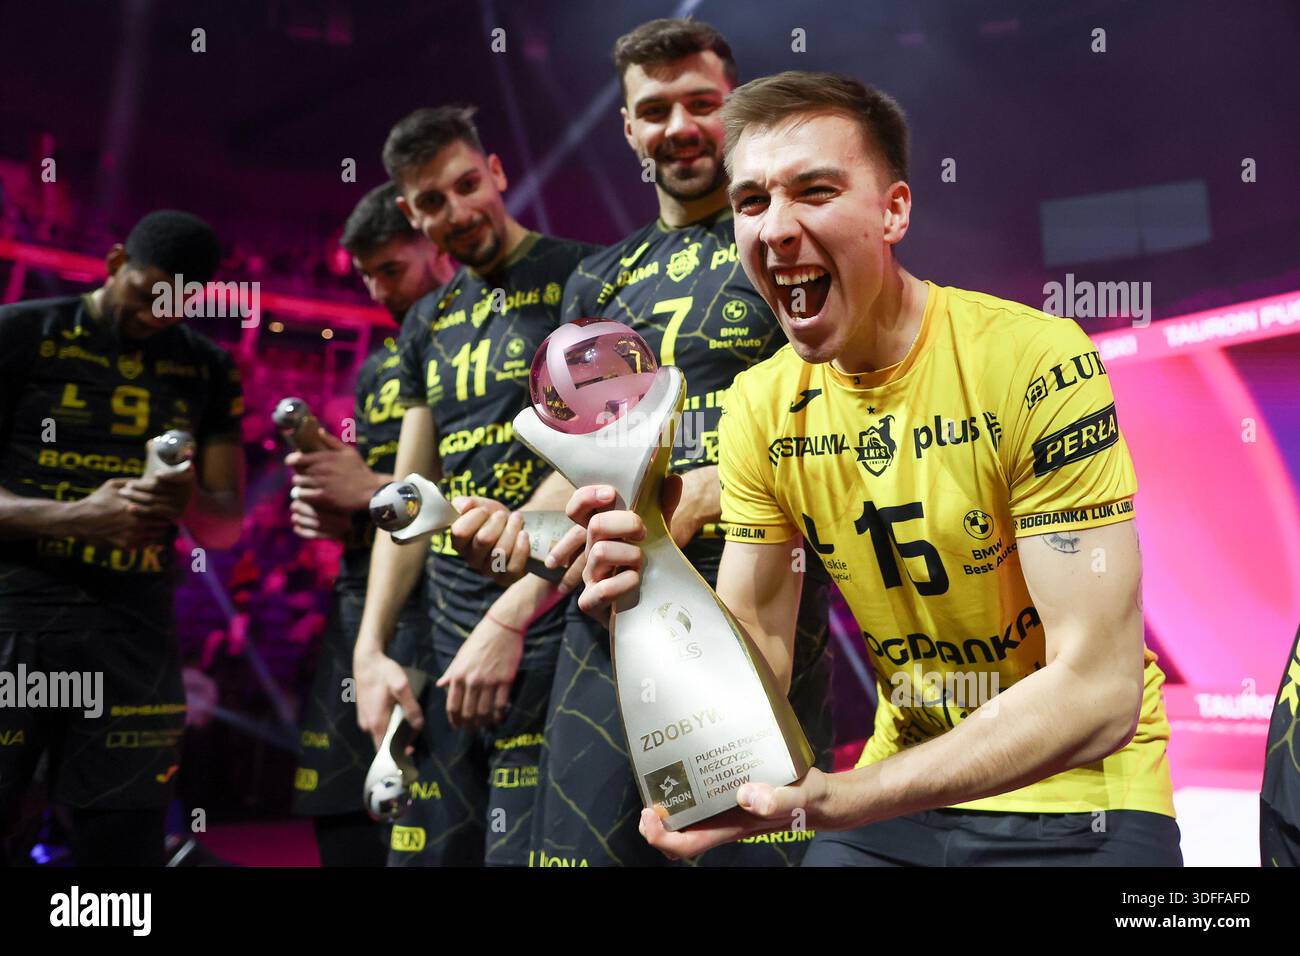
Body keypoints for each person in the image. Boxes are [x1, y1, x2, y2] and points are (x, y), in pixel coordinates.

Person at [563, 72, 1182, 866]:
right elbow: (759, 648)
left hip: (1078, 793)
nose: (775, 228)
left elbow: (1098, 694)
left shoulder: (1037, 362)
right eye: (750, 202)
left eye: (813, 191)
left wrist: (841, 798)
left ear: (894, 210)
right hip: (905, 788)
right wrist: (659, 598)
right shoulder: (761, 404)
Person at [458, 17, 834, 868]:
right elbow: (580, 476)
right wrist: (520, 531)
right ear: (629, 129)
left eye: (701, 102)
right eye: (654, 109)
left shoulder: (785, 243)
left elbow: (843, 408)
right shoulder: (597, 279)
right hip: (611, 627)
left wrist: (717, 485)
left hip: (758, 609)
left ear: (734, 109)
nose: (679, 126)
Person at [353, 106, 593, 865]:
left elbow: (604, 458)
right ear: (409, 212)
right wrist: (369, 649)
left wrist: (514, 615)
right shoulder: (426, 319)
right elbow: (409, 497)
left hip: (554, 631)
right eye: (431, 202)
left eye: (466, 185)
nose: (456, 213)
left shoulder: (584, 276)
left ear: (495, 172)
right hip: (449, 645)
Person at [0, 210, 245, 866]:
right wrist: (77, 516)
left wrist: (186, 497)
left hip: (134, 639)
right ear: (113, 264)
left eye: (178, 303)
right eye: (146, 293)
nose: (158, 315)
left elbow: (224, 526)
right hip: (13, 621)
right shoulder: (18, 333)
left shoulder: (208, 368)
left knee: (125, 856)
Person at [286, 182, 454, 866]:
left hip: (447, 616)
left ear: (434, 248)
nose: (380, 291)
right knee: (344, 816)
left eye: (393, 269)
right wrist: (341, 515)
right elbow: (380, 507)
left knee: (429, 829)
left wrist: (372, 489)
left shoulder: (487, 342)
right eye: (367, 276)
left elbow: (495, 490)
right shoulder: (381, 364)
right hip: (361, 610)